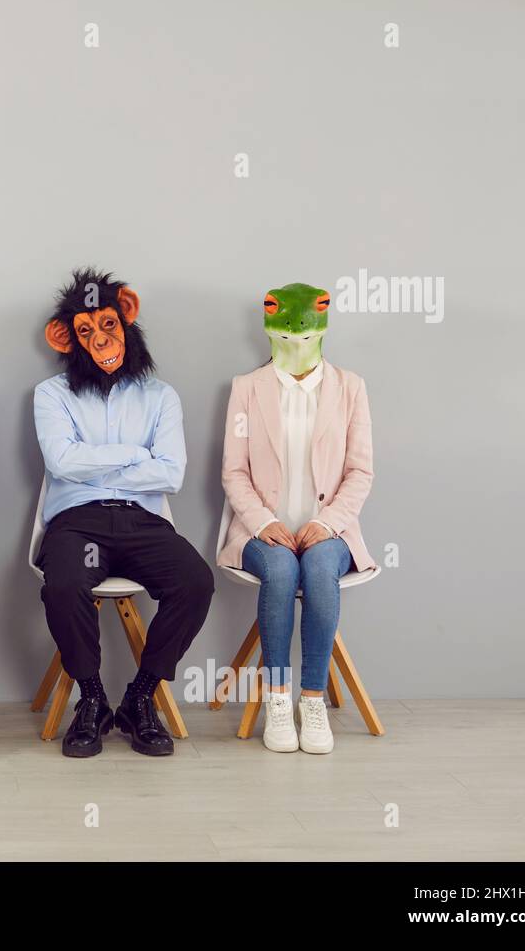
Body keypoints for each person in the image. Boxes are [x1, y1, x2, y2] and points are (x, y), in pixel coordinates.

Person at [34, 268, 214, 758]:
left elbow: (171, 473)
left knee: (195, 581)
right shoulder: (52, 394)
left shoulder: (161, 396)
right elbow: (61, 463)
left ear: (127, 318)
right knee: (65, 584)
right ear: (67, 338)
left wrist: (98, 466)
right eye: (86, 331)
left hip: (142, 524)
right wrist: (136, 455)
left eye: (107, 325)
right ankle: (90, 698)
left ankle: (140, 696)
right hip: (78, 521)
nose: (100, 339)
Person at [218, 282, 375, 755]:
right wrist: (264, 521)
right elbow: (233, 470)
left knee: (319, 567)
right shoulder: (246, 389)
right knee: (283, 570)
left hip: (332, 530)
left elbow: (361, 471)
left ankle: (313, 700)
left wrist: (327, 523)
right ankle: (277, 699)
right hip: (261, 531)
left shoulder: (351, 388)